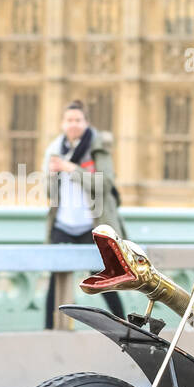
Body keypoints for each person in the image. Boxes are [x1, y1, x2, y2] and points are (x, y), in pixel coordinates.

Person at [43, 100, 126, 327]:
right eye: (69, 120)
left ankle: (127, 329)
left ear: (86, 123)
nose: (73, 124)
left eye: (78, 120)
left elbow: (105, 184)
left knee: (104, 281)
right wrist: (52, 174)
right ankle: (48, 332)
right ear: (62, 123)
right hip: (62, 225)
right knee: (54, 282)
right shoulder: (55, 150)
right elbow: (49, 193)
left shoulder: (97, 148)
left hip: (91, 225)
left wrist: (71, 168)